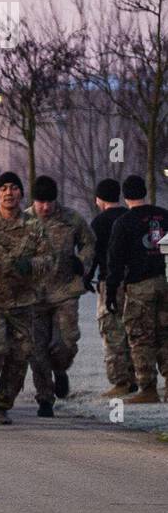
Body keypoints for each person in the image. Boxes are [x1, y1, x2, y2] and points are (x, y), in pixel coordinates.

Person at [0, 172, 52, 424]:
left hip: (22, 302)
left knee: (20, 356)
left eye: (14, 188)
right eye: (4, 188)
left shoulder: (35, 226)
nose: (9, 193)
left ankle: (2, 406)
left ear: (21, 193)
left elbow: (49, 260)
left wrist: (30, 265)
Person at [25, 175, 95, 412]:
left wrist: (82, 263)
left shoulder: (71, 219)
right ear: (34, 201)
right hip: (33, 295)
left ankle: (60, 368)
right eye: (40, 202)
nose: (45, 207)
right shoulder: (23, 222)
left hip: (64, 291)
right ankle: (45, 398)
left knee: (66, 341)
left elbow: (89, 242)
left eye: (49, 202)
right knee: (37, 349)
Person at [106, 175, 168, 403]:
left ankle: (148, 388)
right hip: (165, 281)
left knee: (141, 337)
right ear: (144, 192)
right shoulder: (164, 216)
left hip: (139, 286)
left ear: (125, 196)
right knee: (165, 335)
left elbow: (115, 260)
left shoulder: (123, 222)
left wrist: (112, 291)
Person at [88, 178, 134, 396]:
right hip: (134, 282)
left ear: (99, 199)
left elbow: (93, 256)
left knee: (111, 331)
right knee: (133, 331)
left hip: (109, 283)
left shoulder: (98, 223)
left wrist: (87, 278)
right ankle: (137, 377)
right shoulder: (130, 217)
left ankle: (120, 381)